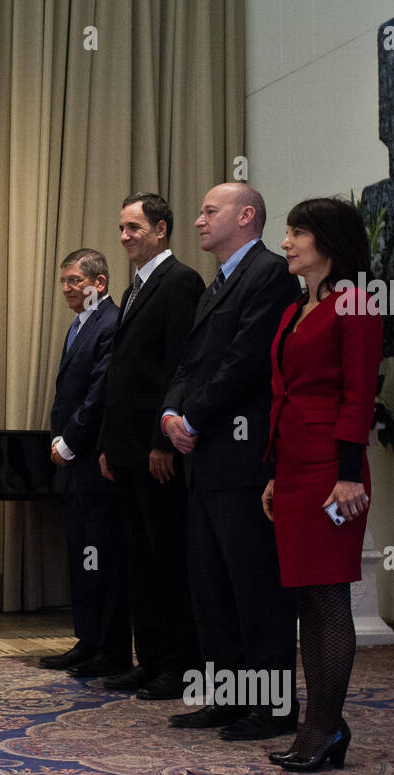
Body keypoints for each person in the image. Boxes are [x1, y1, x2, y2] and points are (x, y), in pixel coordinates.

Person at [161, 182, 300, 741]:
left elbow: (245, 361)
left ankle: (272, 707)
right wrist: (170, 414)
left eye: (209, 211)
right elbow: (190, 363)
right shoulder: (217, 281)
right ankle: (227, 696)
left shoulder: (269, 274)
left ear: (245, 216)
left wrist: (192, 419)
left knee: (254, 587)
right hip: (204, 459)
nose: (198, 220)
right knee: (211, 586)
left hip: (241, 459)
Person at [263, 198, 381, 770]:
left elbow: (359, 395)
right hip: (292, 469)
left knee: (329, 598)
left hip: (333, 473)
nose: (286, 242)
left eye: (297, 233)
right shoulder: (295, 309)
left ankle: (324, 728)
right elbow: (283, 394)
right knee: (307, 600)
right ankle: (324, 723)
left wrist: (349, 474)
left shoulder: (355, 304)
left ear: (328, 242)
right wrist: (273, 472)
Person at [93, 193, 204, 699]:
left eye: (133, 227)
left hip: (156, 452)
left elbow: (180, 366)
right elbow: (120, 375)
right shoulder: (134, 289)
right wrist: (106, 444)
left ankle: (180, 666)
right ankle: (152, 659)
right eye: (121, 228)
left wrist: (163, 439)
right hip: (125, 450)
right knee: (138, 561)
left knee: (167, 562)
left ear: (161, 230)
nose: (124, 237)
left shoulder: (180, 282)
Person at [38, 249, 129, 673]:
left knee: (102, 555)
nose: (67, 289)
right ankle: (88, 639)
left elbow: (99, 393)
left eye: (75, 280)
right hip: (77, 462)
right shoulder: (79, 324)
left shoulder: (110, 323)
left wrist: (70, 442)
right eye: (64, 281)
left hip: (95, 459)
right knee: (81, 553)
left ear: (100, 283)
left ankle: (109, 649)